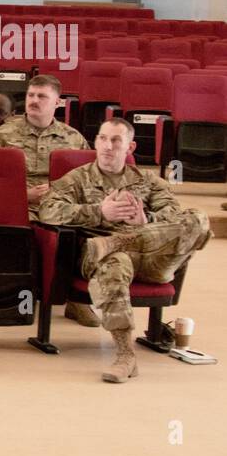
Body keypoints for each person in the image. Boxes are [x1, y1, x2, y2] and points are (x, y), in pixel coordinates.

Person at [38, 118, 212, 383]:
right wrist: (98, 212)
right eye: (103, 139)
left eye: (116, 140)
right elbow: (48, 210)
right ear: (95, 142)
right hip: (101, 252)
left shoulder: (148, 181)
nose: (108, 146)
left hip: (151, 254)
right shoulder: (78, 178)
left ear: (130, 146)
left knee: (198, 219)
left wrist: (146, 221)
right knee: (114, 263)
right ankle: (124, 355)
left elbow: (174, 214)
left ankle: (128, 239)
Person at [0, 74, 96, 325]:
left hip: (59, 207)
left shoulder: (74, 139)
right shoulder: (2, 136)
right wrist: (23, 195)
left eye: (42, 96)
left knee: (84, 231)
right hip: (17, 208)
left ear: (58, 102)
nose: (34, 100)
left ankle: (77, 300)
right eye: (31, 95)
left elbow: (88, 182)